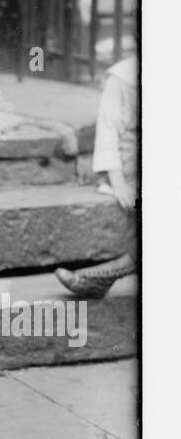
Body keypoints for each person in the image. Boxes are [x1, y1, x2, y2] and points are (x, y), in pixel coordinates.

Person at [56, 53, 138, 298]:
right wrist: (119, 181)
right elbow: (108, 130)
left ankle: (107, 274)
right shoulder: (123, 77)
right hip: (131, 162)